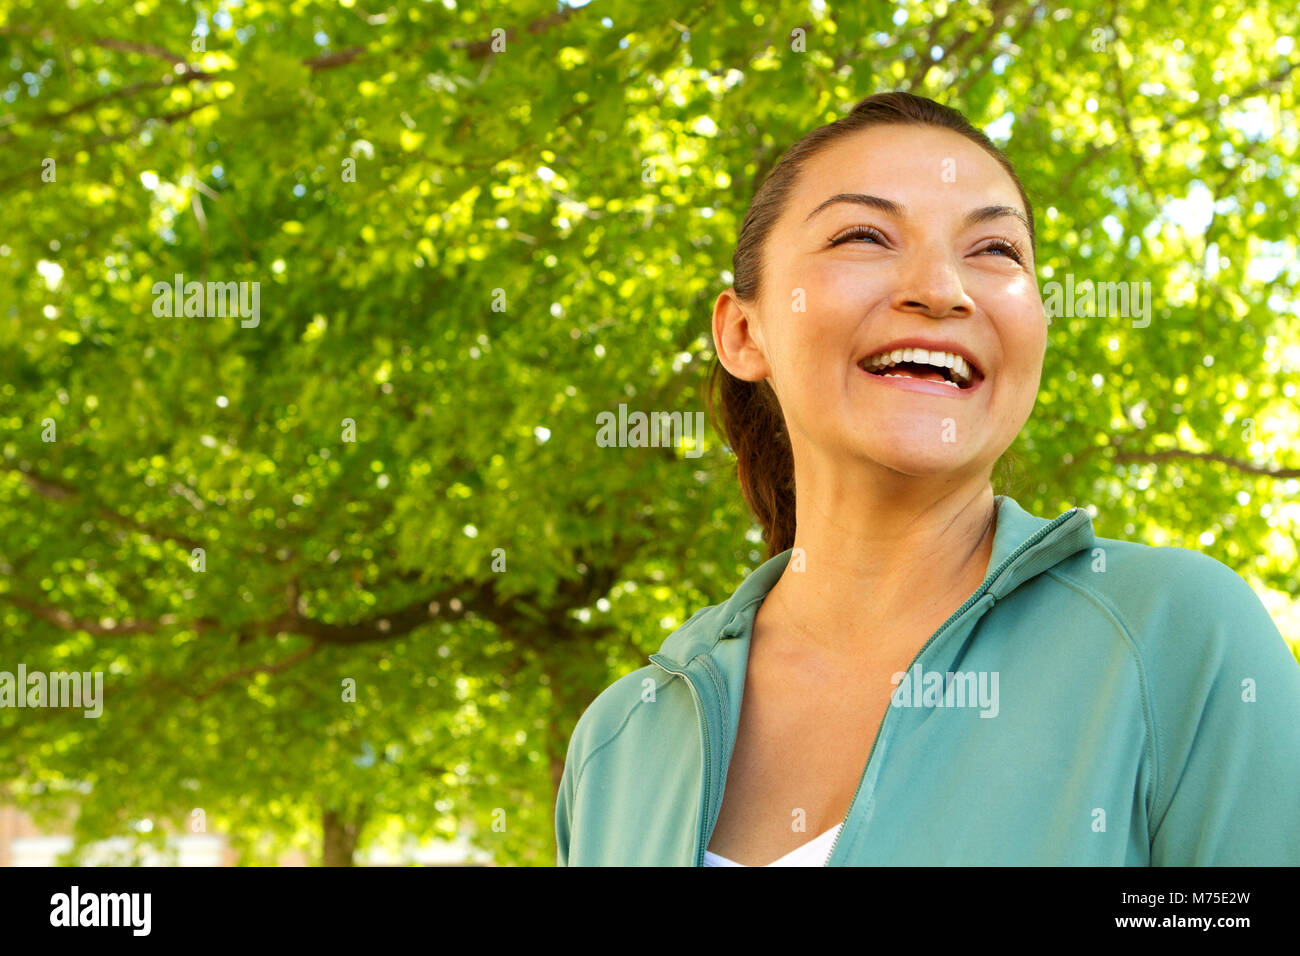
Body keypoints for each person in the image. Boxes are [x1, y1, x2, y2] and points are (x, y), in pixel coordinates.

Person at [555, 91, 1300, 866]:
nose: (942, 288)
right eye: (865, 235)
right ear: (744, 332)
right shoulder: (618, 742)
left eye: (996, 251)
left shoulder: (1179, 638)